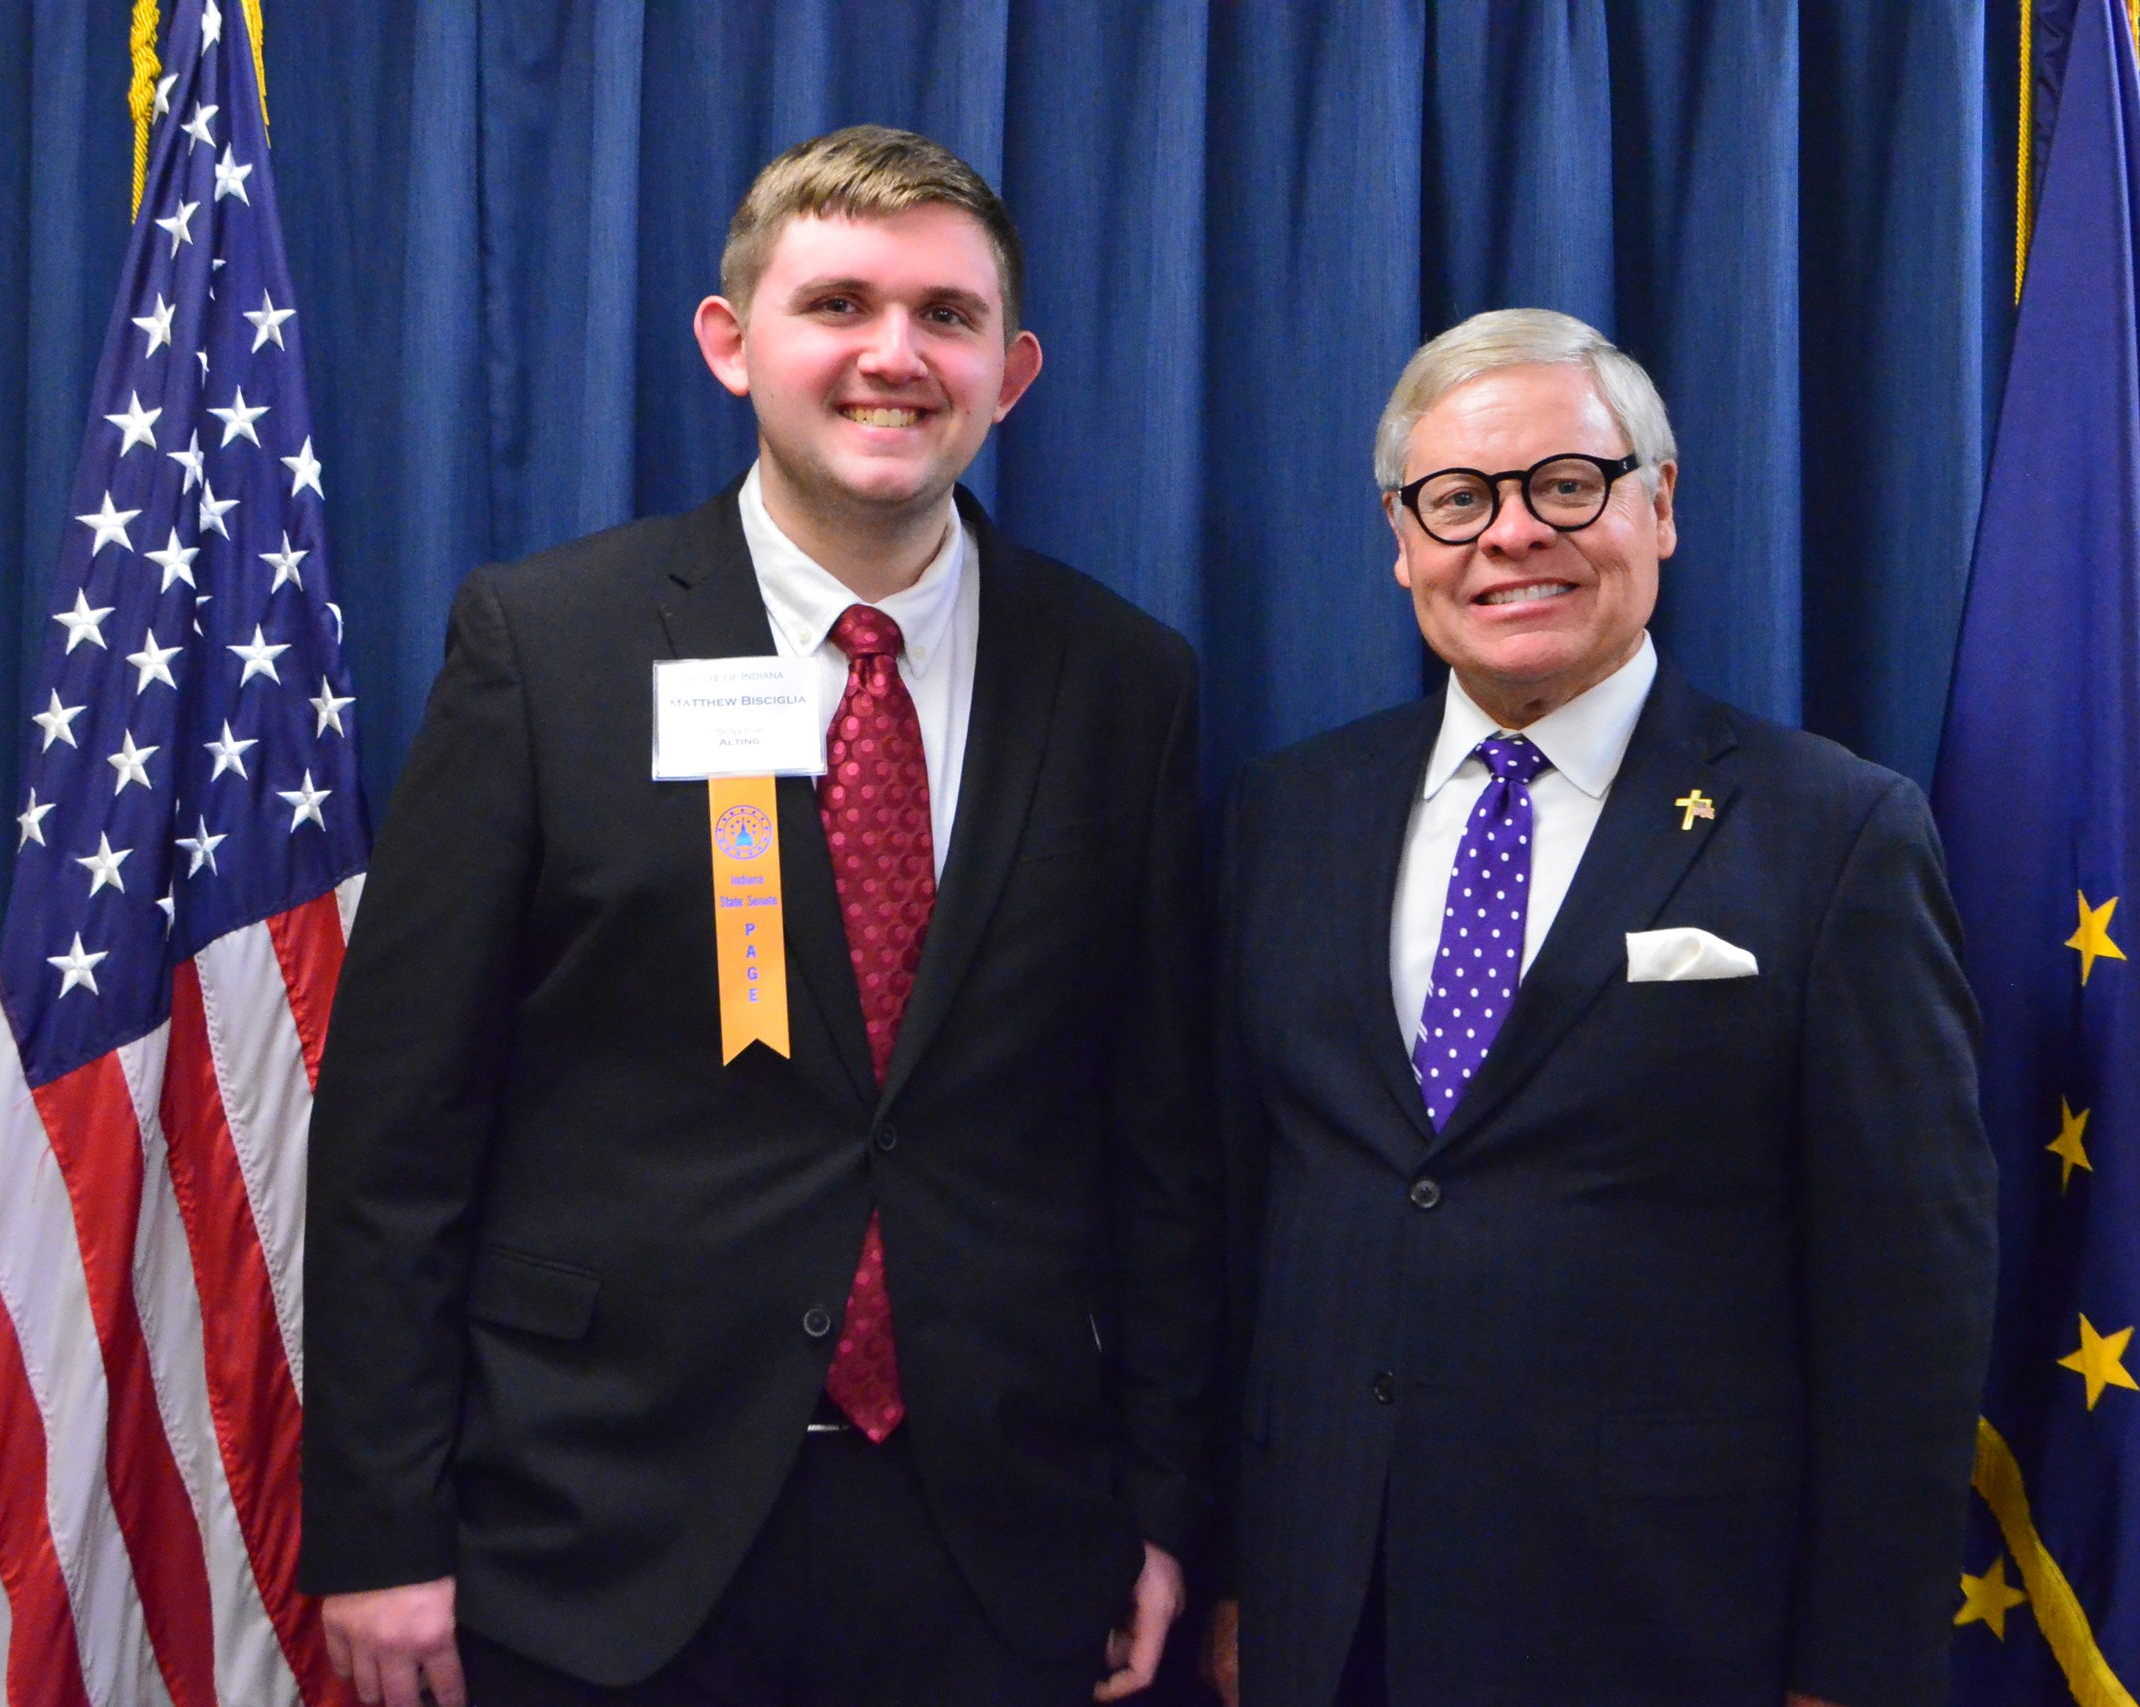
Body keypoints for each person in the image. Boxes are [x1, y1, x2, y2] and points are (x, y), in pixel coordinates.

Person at [301, 126, 1216, 1707]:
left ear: (1013, 373)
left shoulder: (1123, 682)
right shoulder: (547, 646)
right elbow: (399, 1128)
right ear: (732, 345)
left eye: (947, 316)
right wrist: (379, 1527)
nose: (894, 356)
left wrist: (1164, 1505)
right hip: (596, 1541)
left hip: (997, 1547)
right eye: (839, 304)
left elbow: (1162, 1144)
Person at [1206, 309, 1995, 1707]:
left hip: (1670, 1626)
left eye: (1567, 485)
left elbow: (1909, 1301)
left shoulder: (1834, 832)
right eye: (1458, 500)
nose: (1512, 535)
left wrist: (1856, 1666)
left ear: (1660, 505)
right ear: (1401, 540)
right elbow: (1229, 1220)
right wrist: (1230, 1571)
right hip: (1327, 1614)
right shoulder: (1286, 815)